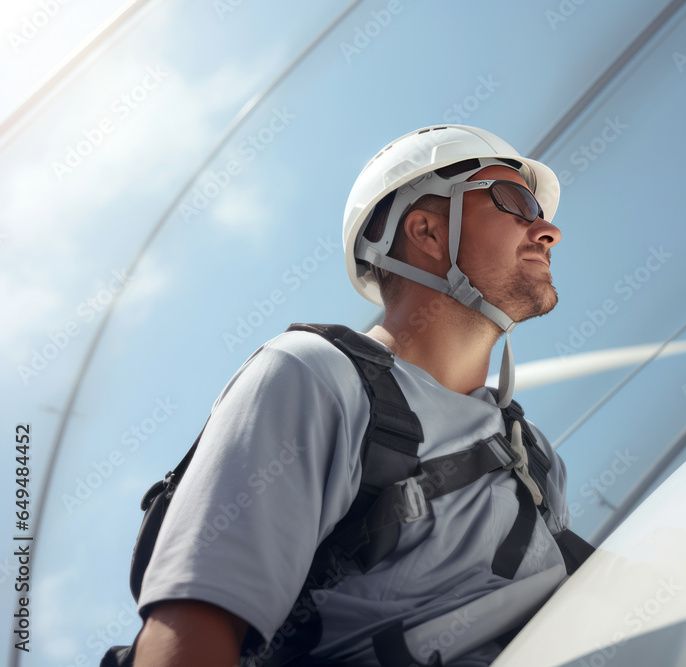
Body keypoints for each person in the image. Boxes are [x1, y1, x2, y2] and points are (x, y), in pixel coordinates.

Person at [132, 125, 581, 666]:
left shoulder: (532, 454)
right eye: (516, 203)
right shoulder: (314, 376)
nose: (548, 230)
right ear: (427, 232)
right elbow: (188, 640)